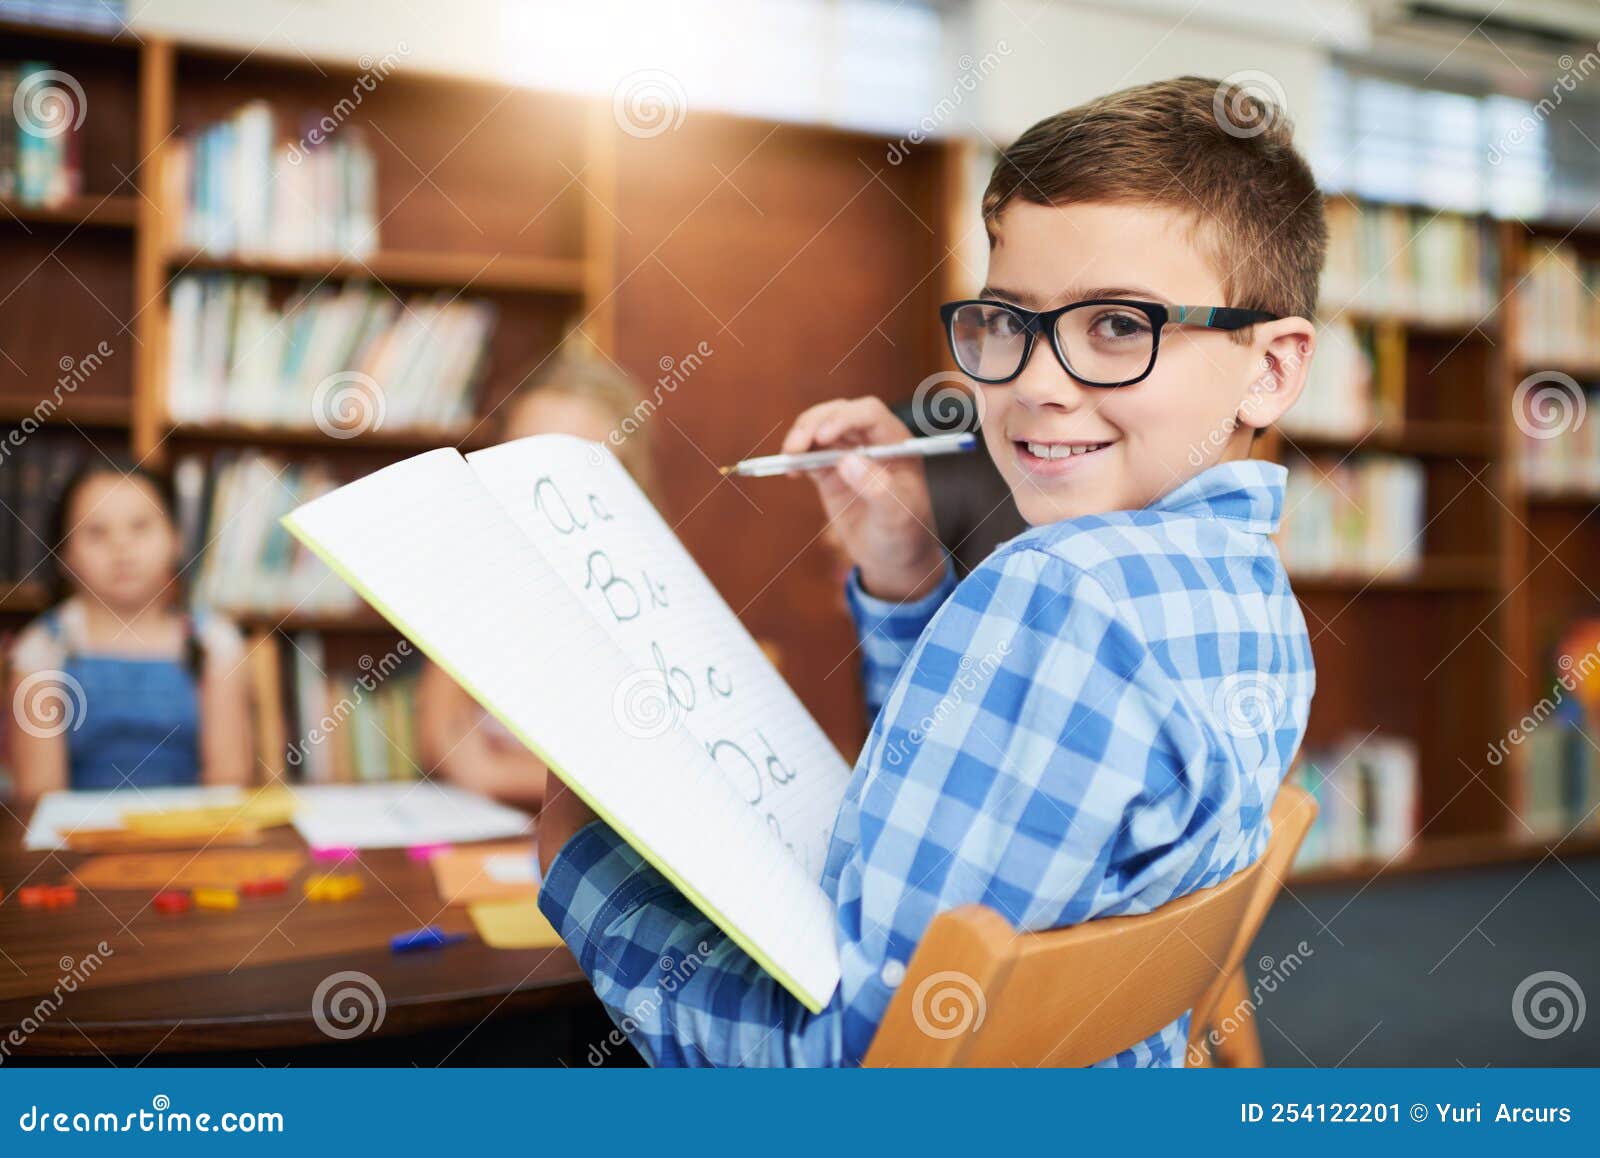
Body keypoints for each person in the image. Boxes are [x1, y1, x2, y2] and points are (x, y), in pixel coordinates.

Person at [535, 75, 1322, 1066]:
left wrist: (582, 870)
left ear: (1271, 369)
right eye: (1010, 322)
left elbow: (844, 1067)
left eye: (1119, 325)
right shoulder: (1247, 599)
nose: (1036, 383)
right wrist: (906, 577)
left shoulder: (1059, 593)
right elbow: (981, 813)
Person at [417, 341, 662, 810]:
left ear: (629, 481)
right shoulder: (479, 581)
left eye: (570, 468)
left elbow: (647, 776)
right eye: (521, 463)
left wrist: (496, 773)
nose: (543, 491)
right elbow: (444, 743)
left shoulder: (653, 600)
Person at [8, 460, 254, 794]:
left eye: (140, 527)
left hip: (191, 826)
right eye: (96, 533)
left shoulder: (214, 641)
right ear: (64, 555)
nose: (121, 548)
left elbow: (227, 782)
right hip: (78, 827)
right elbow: (40, 793)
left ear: (176, 539)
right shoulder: (42, 648)